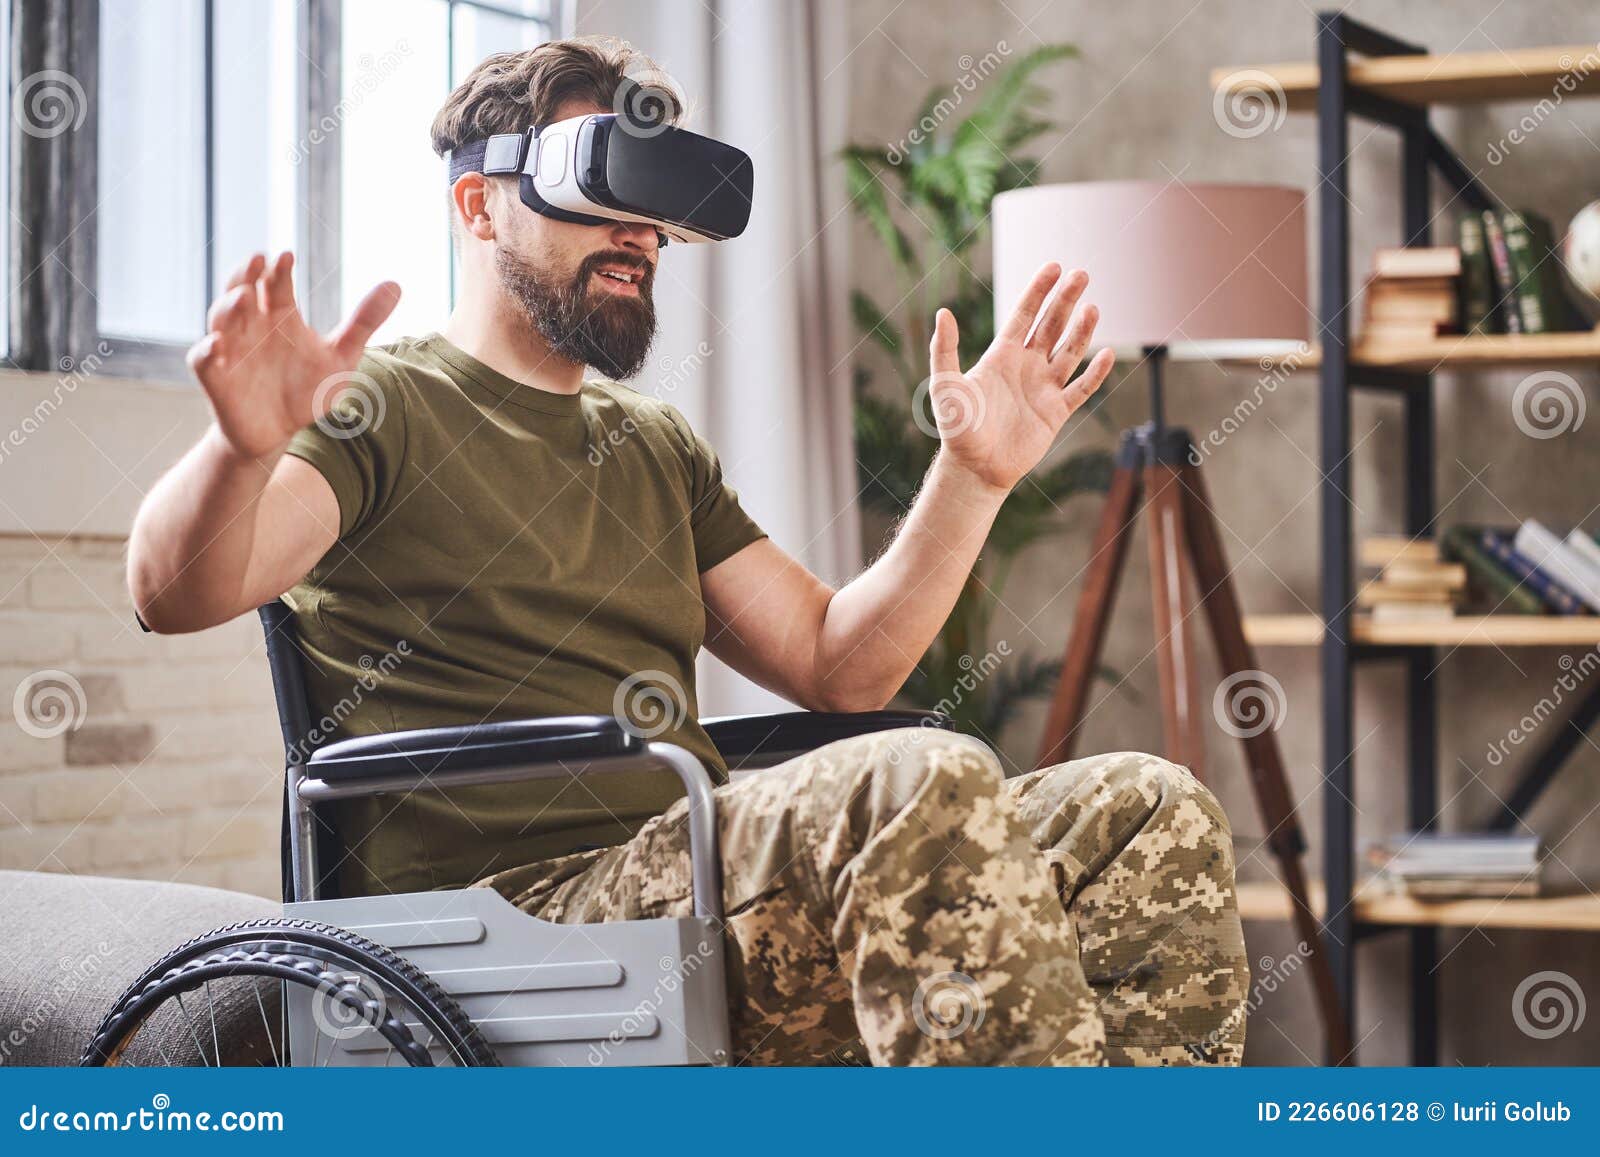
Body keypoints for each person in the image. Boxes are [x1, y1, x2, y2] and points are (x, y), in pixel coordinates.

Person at [127, 36, 1247, 1066]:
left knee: (1147, 806)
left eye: (657, 205)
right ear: (480, 202)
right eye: (601, 185)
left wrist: (974, 477)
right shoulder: (386, 405)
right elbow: (176, 590)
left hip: (688, 874)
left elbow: (840, 667)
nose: (641, 231)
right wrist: (241, 445)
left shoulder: (654, 445)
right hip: (499, 916)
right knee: (923, 776)